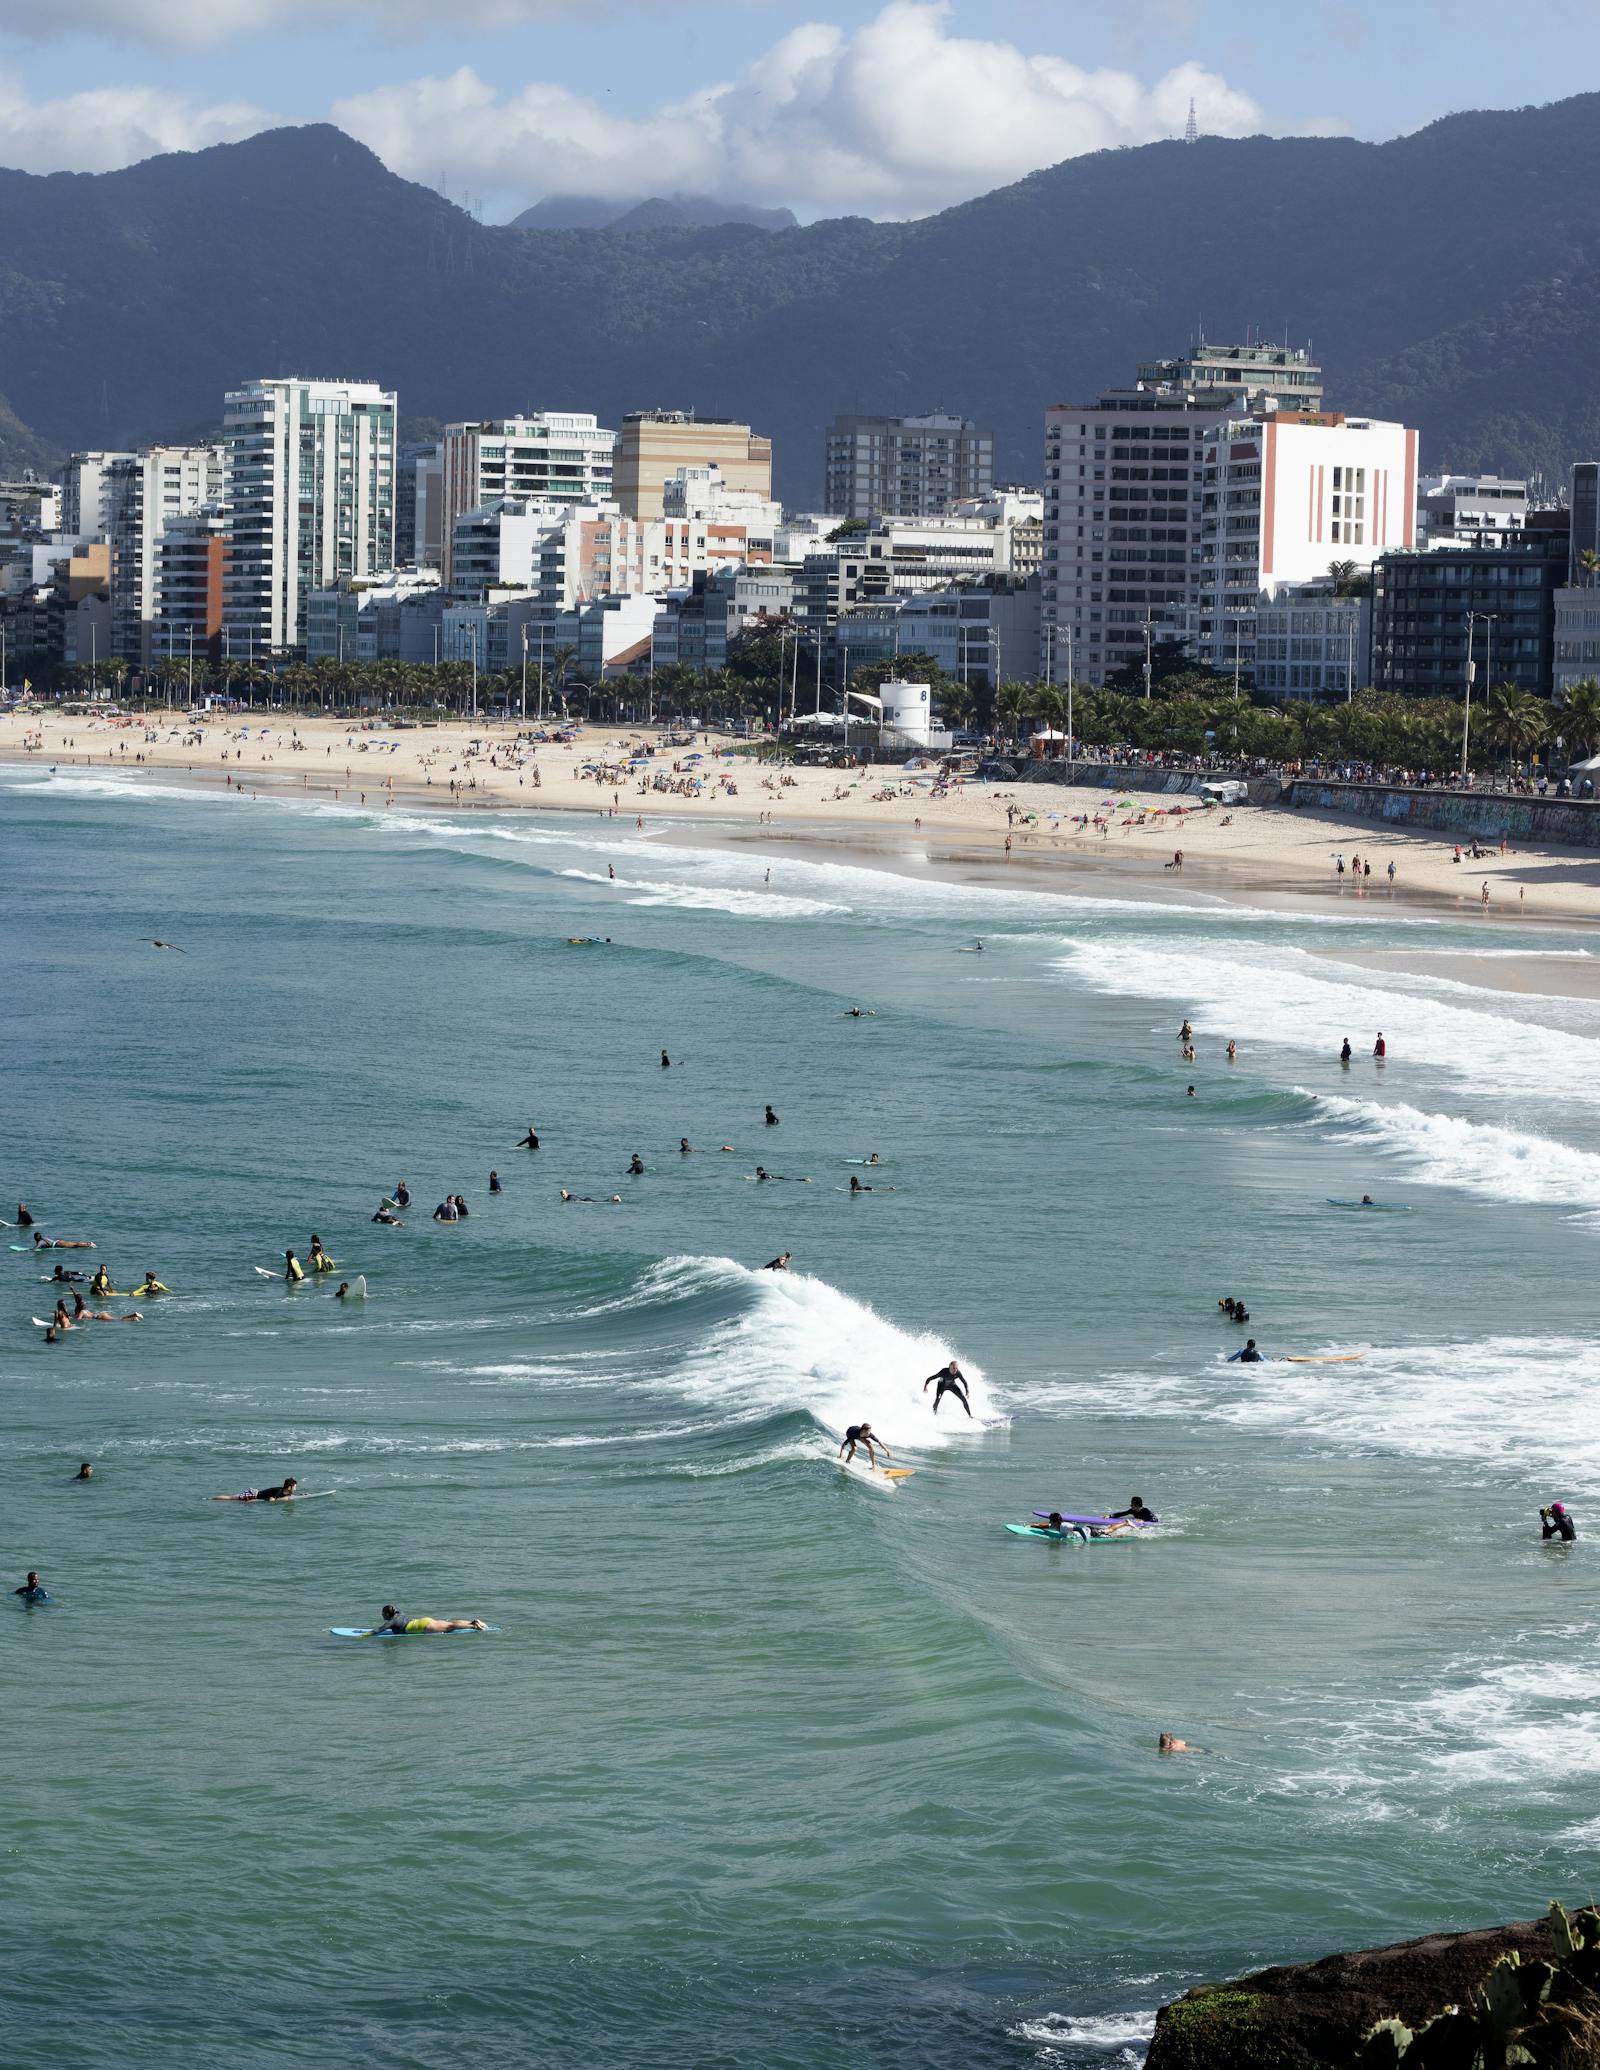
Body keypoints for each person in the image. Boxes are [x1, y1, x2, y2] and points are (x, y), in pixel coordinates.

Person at [373, 1605, 488, 1635]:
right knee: (450, 1624)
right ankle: (472, 1622)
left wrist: (366, 1635)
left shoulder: (391, 1622)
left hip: (423, 1627)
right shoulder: (399, 1614)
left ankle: (474, 1626)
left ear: (387, 1614)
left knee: (450, 1627)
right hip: (423, 1621)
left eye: (383, 1613)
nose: (382, 1615)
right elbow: (394, 1610)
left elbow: (378, 1630)